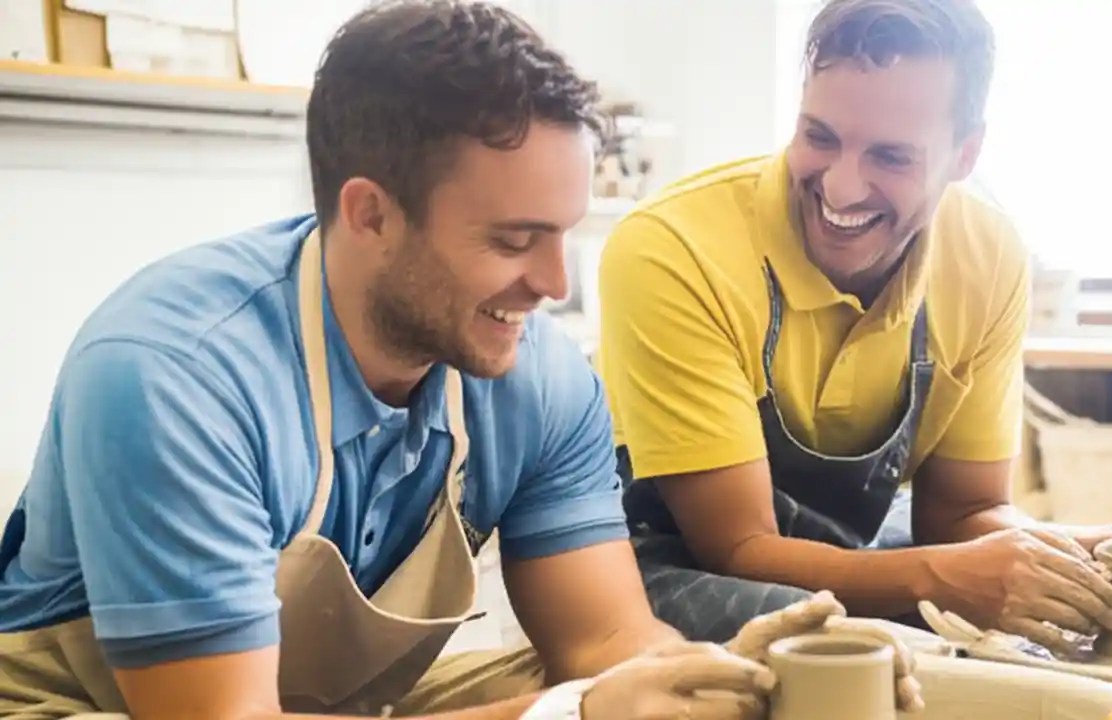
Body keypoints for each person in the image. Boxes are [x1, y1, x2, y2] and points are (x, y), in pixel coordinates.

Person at [0, 2, 900, 718]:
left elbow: (603, 646)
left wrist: (735, 681)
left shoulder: (538, 381)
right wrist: (572, 713)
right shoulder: (175, 376)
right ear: (370, 215)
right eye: (514, 240)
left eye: (565, 236)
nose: (553, 284)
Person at [596, 0, 1112, 654]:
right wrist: (940, 580)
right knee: (869, 642)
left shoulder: (986, 254)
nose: (840, 187)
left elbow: (958, 517)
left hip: (844, 551)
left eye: (891, 157)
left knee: (1007, 631)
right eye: (820, 136)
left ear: (965, 153)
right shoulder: (672, 249)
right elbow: (739, 547)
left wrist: (1089, 548)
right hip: (675, 561)